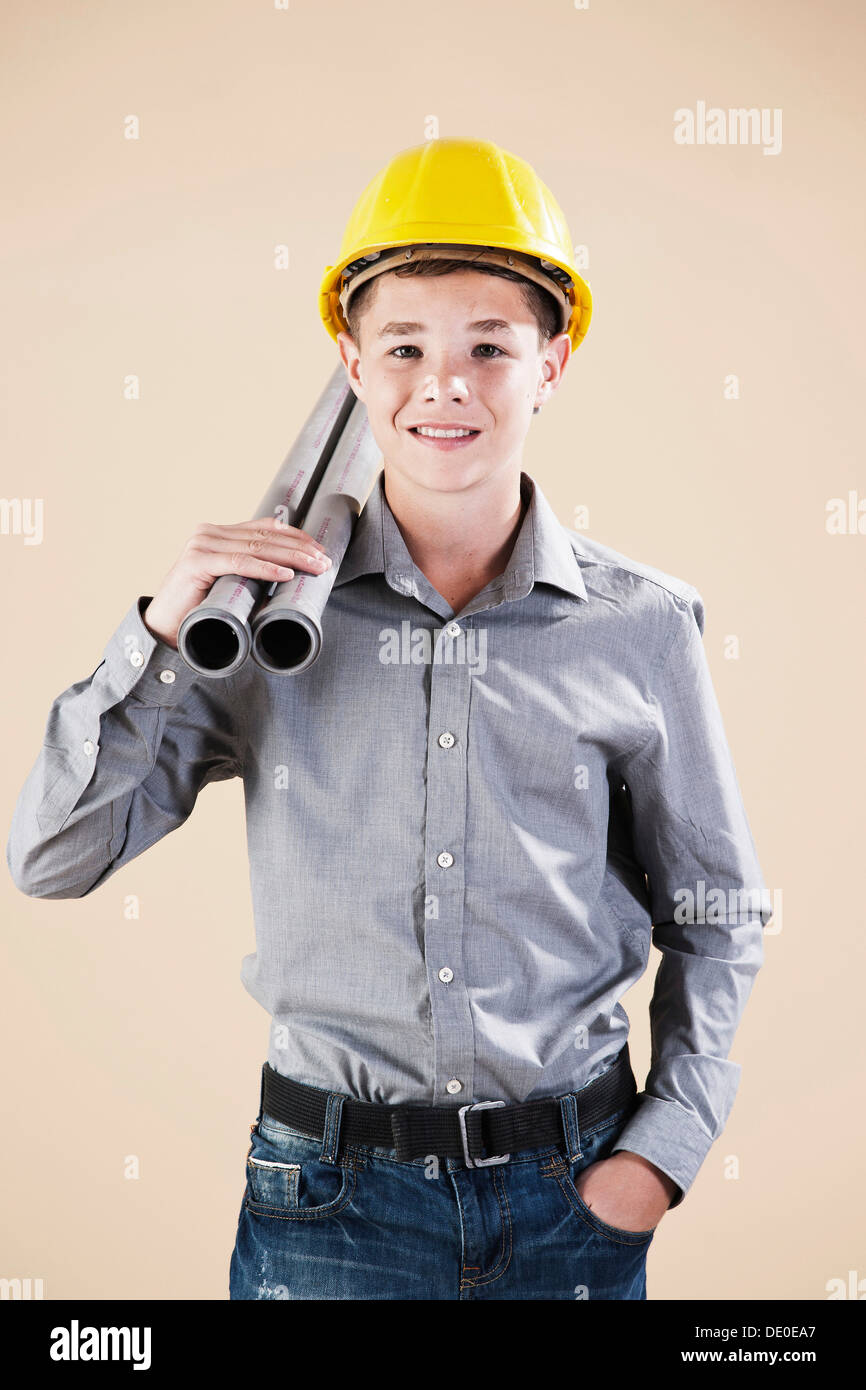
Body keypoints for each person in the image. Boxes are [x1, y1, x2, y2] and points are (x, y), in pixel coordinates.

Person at [6, 137, 772, 1300]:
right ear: (350, 366)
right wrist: (156, 635)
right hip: (328, 1207)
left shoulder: (642, 627)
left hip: (572, 1195)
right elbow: (52, 857)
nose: (443, 384)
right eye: (404, 346)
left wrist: (656, 1158)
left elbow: (717, 914)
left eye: (488, 348)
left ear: (550, 366)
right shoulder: (256, 620)